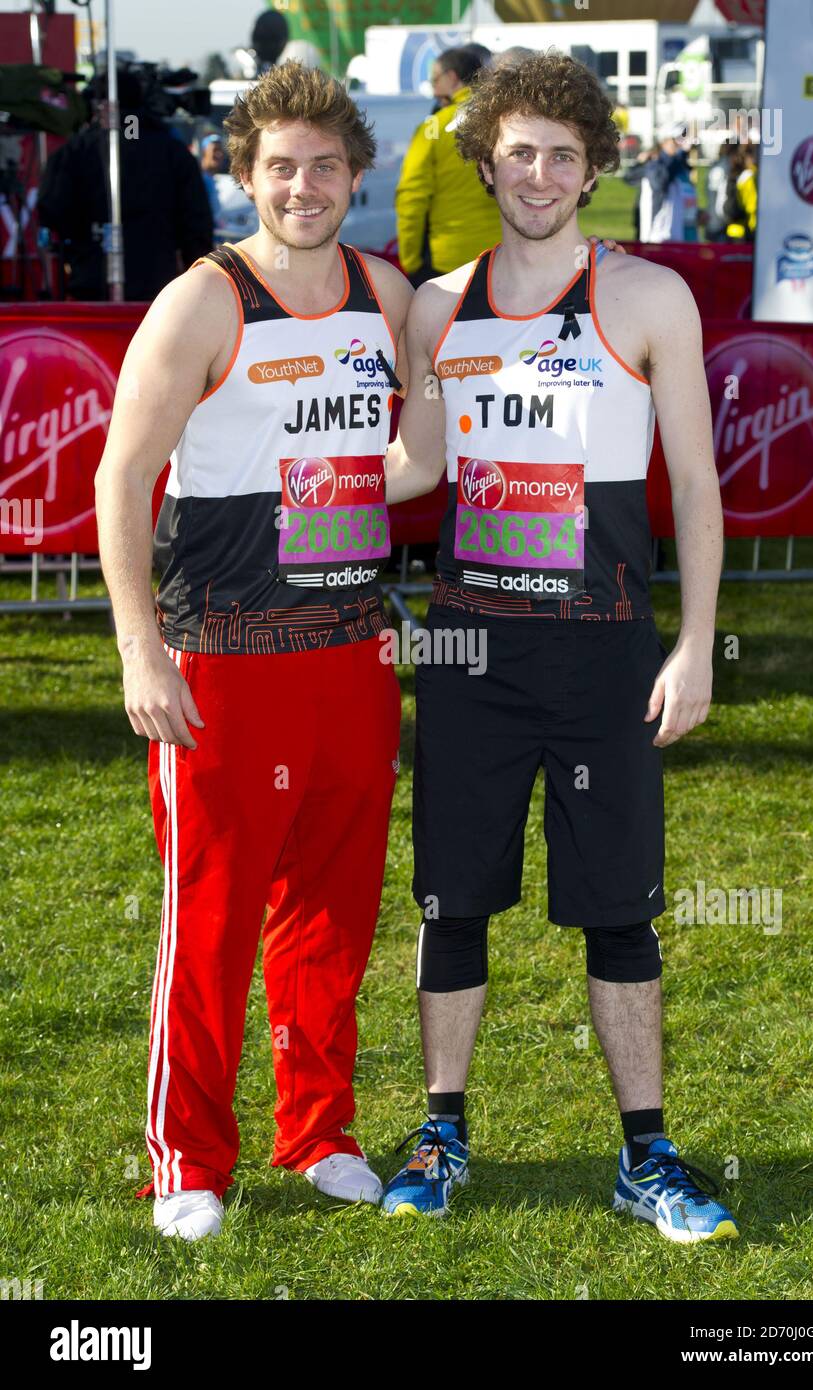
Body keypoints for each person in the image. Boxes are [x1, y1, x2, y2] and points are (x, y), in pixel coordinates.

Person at [381, 52, 739, 1242]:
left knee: (617, 910)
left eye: (561, 153)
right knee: (453, 901)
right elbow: (417, 469)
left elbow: (693, 482)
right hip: (470, 652)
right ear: (484, 159)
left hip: (603, 656)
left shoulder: (646, 299)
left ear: (593, 165)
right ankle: (441, 1131)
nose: (537, 173)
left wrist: (693, 646)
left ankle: (647, 1154)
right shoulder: (438, 305)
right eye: (517, 150)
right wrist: (265, 455)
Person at [94, 60, 413, 1241]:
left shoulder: (386, 293)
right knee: (212, 916)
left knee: (334, 913)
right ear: (243, 174)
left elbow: (492, 344)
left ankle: (319, 1128)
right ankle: (188, 1153)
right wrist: (140, 650)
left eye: (325, 165)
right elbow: (119, 475)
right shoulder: (202, 300)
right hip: (222, 661)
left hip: (351, 654)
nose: (303, 186)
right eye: (279, 166)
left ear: (355, 174)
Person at [37, 69, 213, 301]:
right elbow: (196, 224)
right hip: (158, 287)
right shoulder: (173, 152)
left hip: (92, 279)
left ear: (101, 105)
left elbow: (52, 211)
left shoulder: (75, 152)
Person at [395, 47, 502, 288]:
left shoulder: (433, 127)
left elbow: (411, 198)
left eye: (435, 80)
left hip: (446, 263)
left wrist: (411, 261)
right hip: (503, 259)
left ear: (452, 78)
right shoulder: (508, 122)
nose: (433, 89)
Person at [625, 122, 698, 243]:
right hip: (656, 236)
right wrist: (679, 155)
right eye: (677, 140)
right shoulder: (654, 163)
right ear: (665, 140)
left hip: (677, 234)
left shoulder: (679, 165)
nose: (681, 144)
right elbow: (660, 183)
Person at [724, 143, 758, 243]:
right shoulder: (749, 176)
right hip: (747, 229)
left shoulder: (734, 175)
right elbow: (752, 207)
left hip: (733, 228)